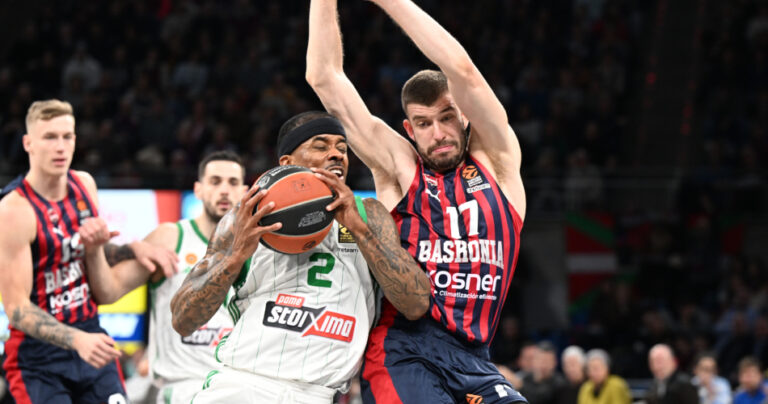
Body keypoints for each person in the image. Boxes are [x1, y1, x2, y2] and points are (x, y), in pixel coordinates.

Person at [305, 0, 527, 402]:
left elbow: (462, 71)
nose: (438, 132)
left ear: (465, 117)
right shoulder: (400, 168)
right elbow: (323, 78)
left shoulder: (499, 161)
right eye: (424, 124)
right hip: (404, 349)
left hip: (476, 358)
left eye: (446, 117)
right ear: (409, 129)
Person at [170, 111, 431, 403]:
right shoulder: (244, 217)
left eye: (342, 149)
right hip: (241, 385)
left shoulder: (369, 214)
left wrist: (359, 230)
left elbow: (416, 303)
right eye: (321, 146)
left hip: (319, 394)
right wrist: (234, 258)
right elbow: (183, 319)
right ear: (287, 163)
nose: (336, 155)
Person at [0, 99, 175, 403]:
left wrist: (132, 248)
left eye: (67, 137)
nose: (60, 147)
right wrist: (75, 339)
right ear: (28, 143)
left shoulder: (84, 185)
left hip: (90, 334)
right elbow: (17, 309)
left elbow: (85, 251)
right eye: (50, 137)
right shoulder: (13, 211)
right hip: (37, 357)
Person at [140, 151, 247, 403]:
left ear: (244, 191)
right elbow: (110, 289)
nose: (224, 190)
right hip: (182, 387)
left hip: (237, 386)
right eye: (215, 181)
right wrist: (127, 249)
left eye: (232, 183)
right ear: (198, 189)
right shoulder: (170, 237)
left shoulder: (258, 248)